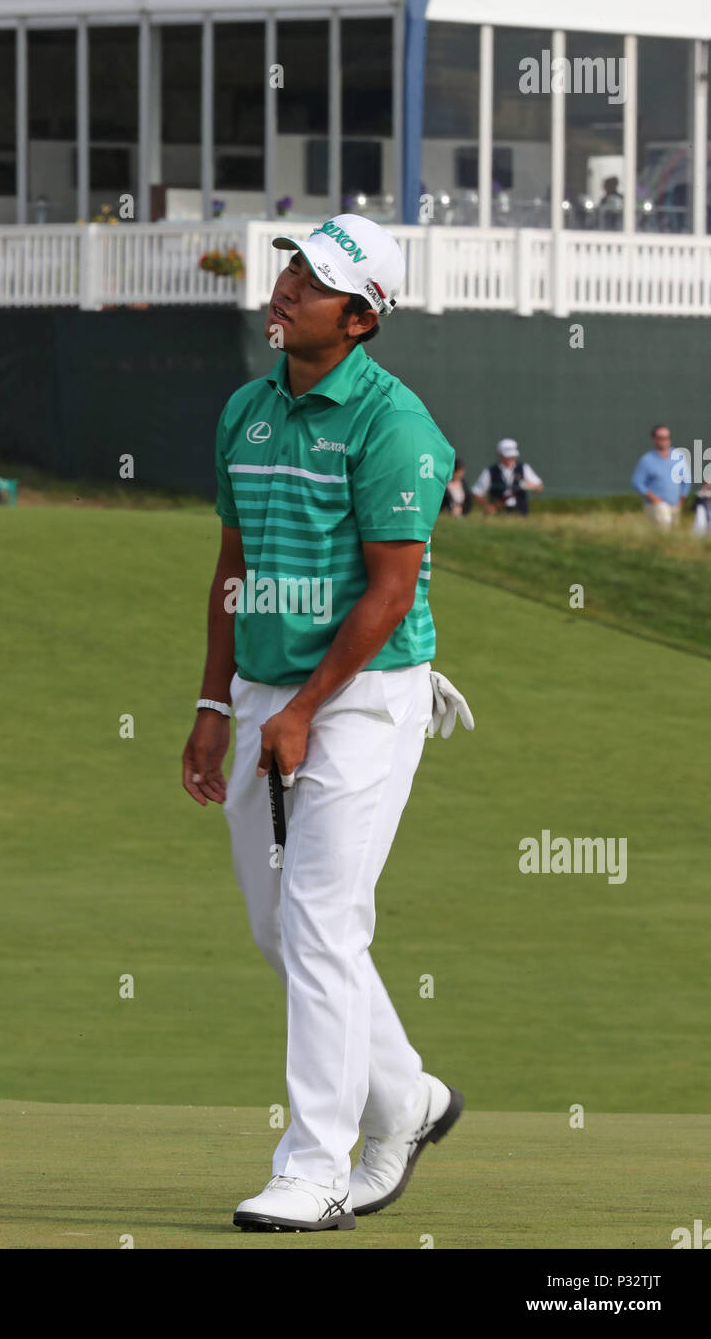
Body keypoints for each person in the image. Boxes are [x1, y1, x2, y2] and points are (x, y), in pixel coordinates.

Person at [182, 213, 472, 1234]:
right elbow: (231, 568)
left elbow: (389, 595)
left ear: (357, 317)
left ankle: (314, 1165)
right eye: (288, 273)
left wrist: (305, 709)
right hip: (266, 686)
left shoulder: (396, 426)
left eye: (310, 283)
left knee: (319, 922)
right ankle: (406, 1099)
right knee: (282, 929)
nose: (285, 291)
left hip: (364, 693)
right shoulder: (245, 411)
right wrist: (216, 706)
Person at [631, 426, 689, 528]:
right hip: (656, 505)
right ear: (655, 439)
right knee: (663, 530)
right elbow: (637, 482)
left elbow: (686, 479)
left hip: (675, 504)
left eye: (667, 437)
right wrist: (654, 498)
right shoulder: (647, 460)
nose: (665, 440)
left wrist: (682, 497)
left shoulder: (679, 456)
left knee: (674, 532)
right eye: (661, 437)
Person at [471, 439, 543, 516]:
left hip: (520, 512)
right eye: (507, 456)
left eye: (512, 456)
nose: (511, 458)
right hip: (499, 513)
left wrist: (529, 486)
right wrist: (486, 506)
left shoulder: (524, 468)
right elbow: (477, 492)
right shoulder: (490, 471)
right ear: (499, 454)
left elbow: (539, 487)